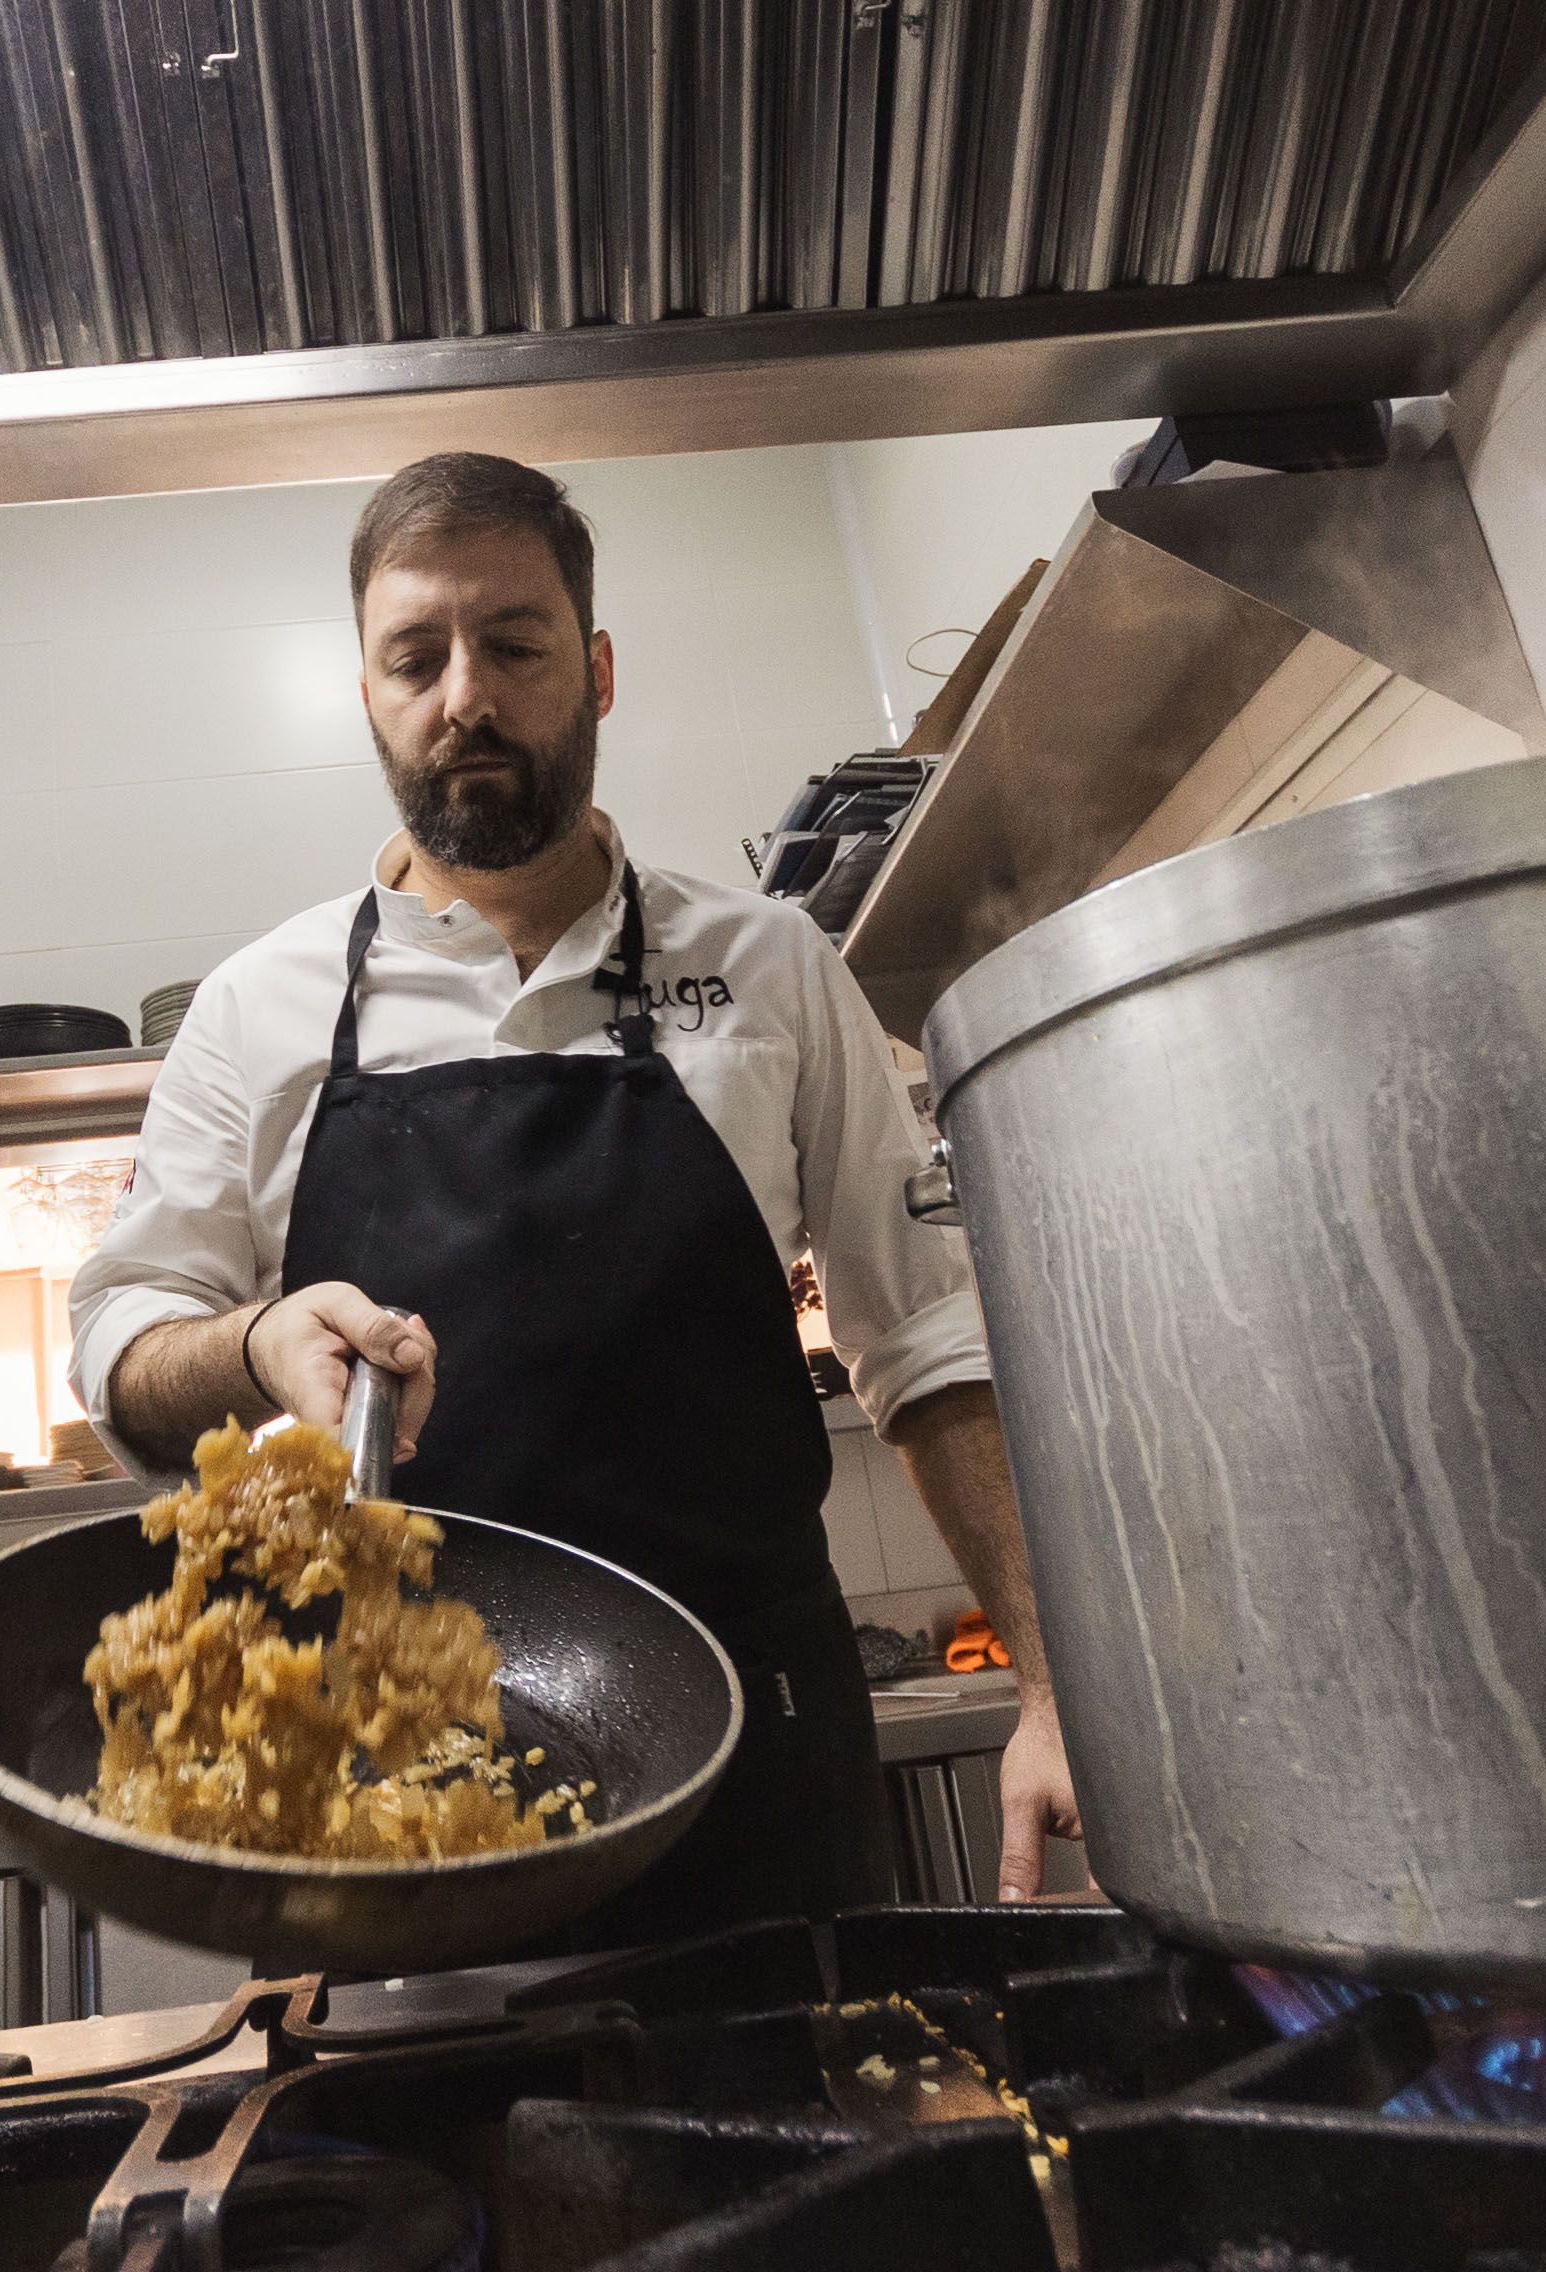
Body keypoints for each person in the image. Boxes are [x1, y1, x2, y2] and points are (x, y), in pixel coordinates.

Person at [67, 451, 1079, 1937]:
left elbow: (928, 1343)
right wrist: (260, 1341)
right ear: (368, 694)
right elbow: (122, 1343)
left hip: (762, 1759)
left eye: (514, 644)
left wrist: (1052, 1682)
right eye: (416, 656)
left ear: (595, 671)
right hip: (410, 1794)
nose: (463, 693)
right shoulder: (259, 1008)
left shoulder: (771, 965)